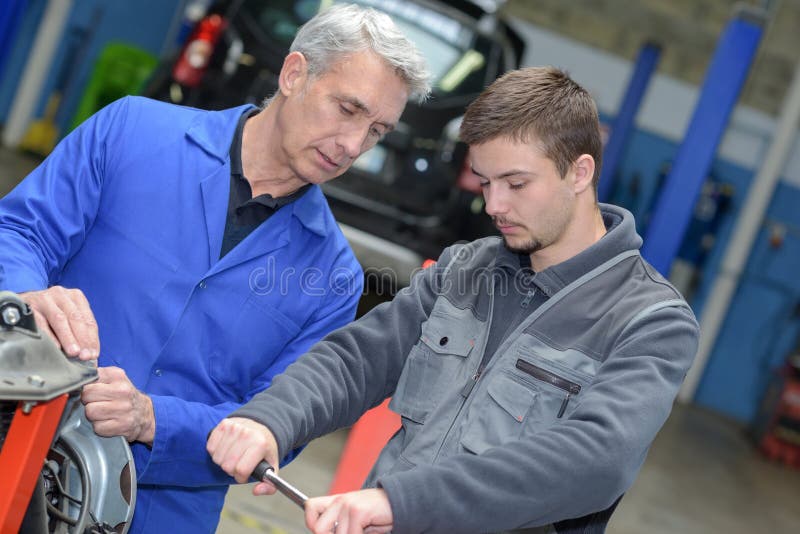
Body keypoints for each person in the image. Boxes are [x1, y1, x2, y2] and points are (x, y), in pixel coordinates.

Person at [207, 66, 700, 534]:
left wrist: (401, 503)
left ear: (579, 172)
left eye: (516, 183)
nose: (494, 205)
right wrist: (270, 419)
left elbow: (595, 458)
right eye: (485, 182)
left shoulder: (650, 321)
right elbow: (358, 359)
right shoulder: (466, 268)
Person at [0, 4, 429, 533]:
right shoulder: (132, 131)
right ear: (294, 74)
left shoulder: (334, 278)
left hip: (158, 516)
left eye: (377, 131)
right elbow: (19, 230)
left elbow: (281, 421)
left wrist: (153, 420)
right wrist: (27, 295)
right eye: (347, 109)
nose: (353, 146)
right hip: (19, 449)